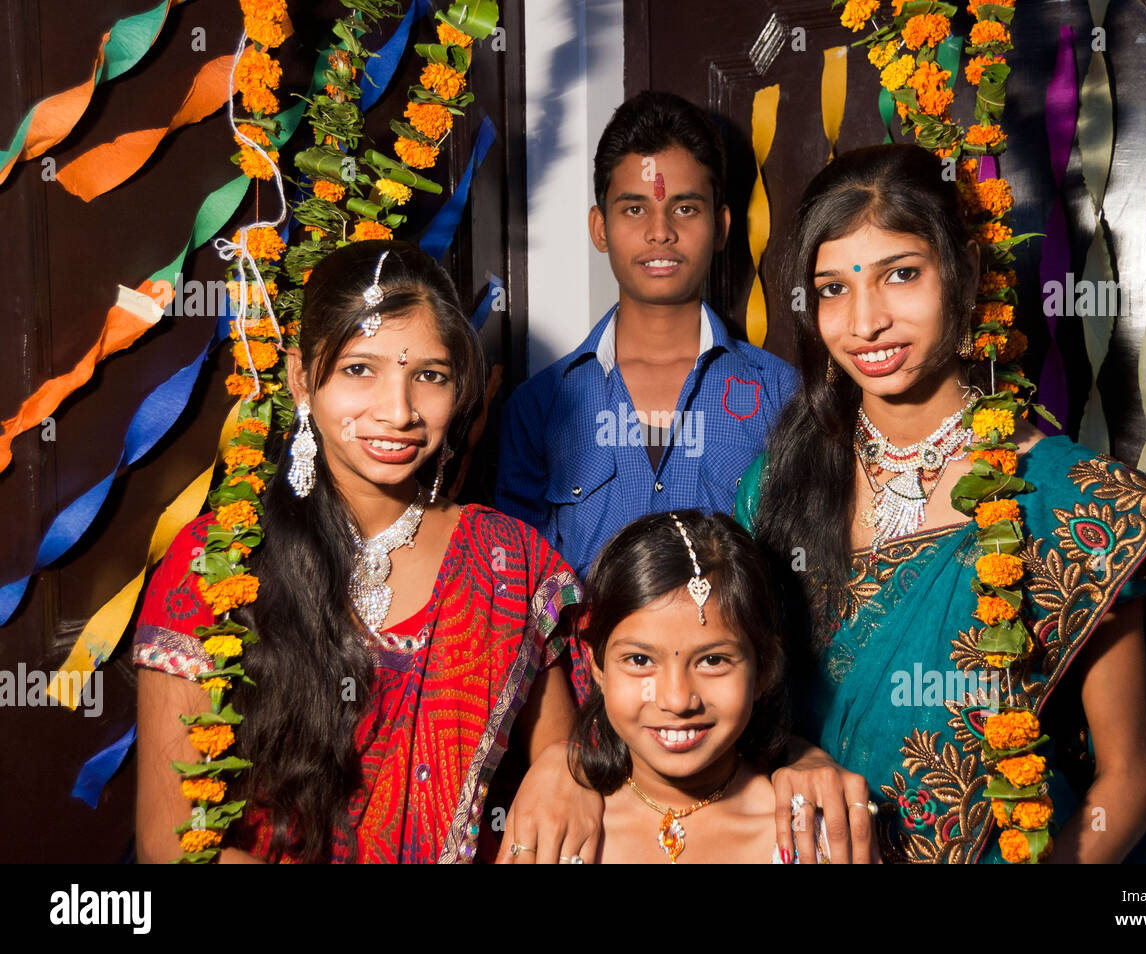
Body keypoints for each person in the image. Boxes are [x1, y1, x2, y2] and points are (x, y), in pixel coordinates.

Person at [735, 144, 1146, 863]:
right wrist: (795, 756)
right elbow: (729, 708)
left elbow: (1130, 775)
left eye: (901, 275)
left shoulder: (1073, 504)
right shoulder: (775, 484)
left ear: (963, 276)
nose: (865, 323)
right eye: (833, 288)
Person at [134, 240, 589, 863]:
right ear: (300, 377)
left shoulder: (508, 562)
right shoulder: (217, 564)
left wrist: (567, 770)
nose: (398, 411)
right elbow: (173, 845)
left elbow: (567, 758)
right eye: (359, 369)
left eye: (428, 375)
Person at [495, 90, 799, 579]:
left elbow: (799, 581)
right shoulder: (539, 407)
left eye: (685, 209)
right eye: (635, 209)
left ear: (721, 227)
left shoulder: (780, 396)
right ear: (600, 227)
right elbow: (521, 595)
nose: (661, 233)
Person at [563, 509, 827, 863]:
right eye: (640, 661)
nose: (676, 700)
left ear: (765, 669)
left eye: (713, 661)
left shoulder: (812, 841)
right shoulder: (560, 832)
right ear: (597, 667)